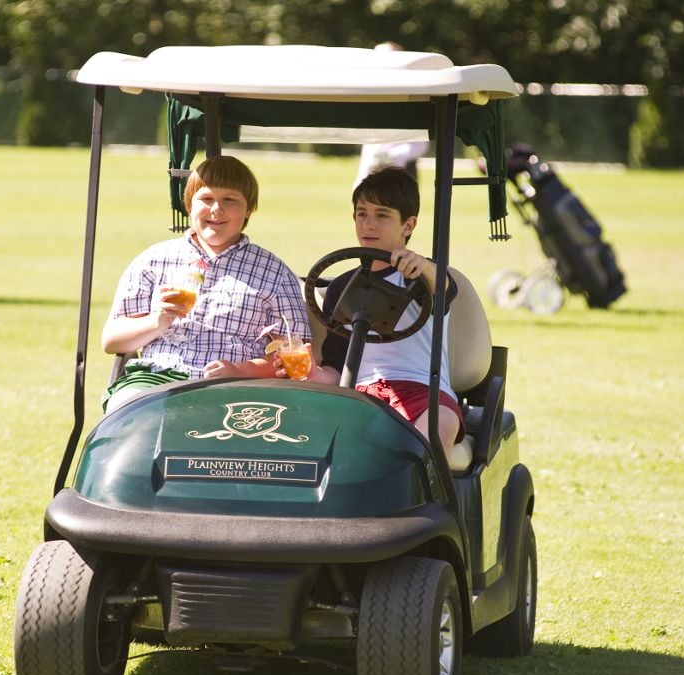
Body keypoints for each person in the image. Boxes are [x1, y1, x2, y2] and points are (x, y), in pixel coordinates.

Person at [101, 155, 310, 410]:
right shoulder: (154, 261)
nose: (216, 209)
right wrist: (157, 320)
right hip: (158, 378)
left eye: (229, 200)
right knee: (124, 412)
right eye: (206, 199)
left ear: (249, 209)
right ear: (189, 205)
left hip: (240, 388)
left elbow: (294, 357)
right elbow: (112, 341)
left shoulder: (274, 273)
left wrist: (239, 370)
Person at [290, 166, 466, 461]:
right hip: (361, 393)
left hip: (421, 390)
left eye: (382, 215)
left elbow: (445, 288)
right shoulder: (342, 287)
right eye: (362, 214)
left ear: (408, 225)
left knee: (441, 424)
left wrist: (422, 266)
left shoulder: (420, 278)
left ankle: (421, 501)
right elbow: (337, 365)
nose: (368, 224)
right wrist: (310, 372)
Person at [354, 42, 430, 186]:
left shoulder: (414, 97)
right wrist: (359, 182)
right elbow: (369, 148)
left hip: (402, 175)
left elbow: (420, 144)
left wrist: (392, 157)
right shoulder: (369, 97)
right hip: (372, 174)